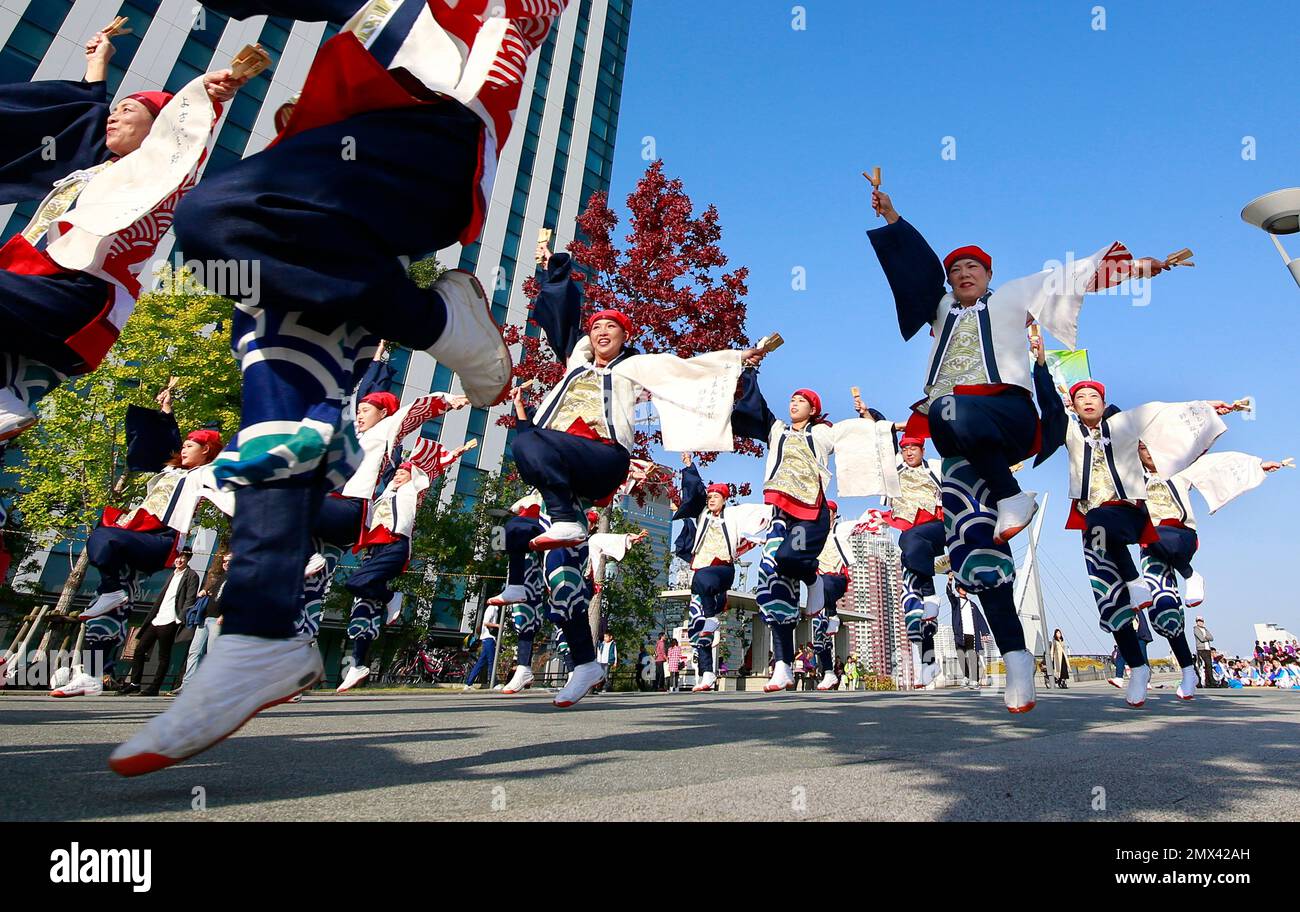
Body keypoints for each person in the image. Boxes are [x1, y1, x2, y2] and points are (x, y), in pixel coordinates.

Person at [106, 0, 567, 776]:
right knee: (274, 390)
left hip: (425, 131)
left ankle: (434, 318)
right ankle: (257, 633)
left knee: (216, 220)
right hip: (327, 176)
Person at [866, 186, 1168, 713]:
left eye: (973, 269)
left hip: (1004, 411)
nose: (964, 275)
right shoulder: (939, 312)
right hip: (960, 444)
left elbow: (1073, 277)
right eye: (955, 269)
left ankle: (1013, 495)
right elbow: (912, 270)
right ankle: (1018, 659)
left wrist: (1138, 268)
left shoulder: (1009, 299)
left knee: (946, 408)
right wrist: (893, 217)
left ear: (988, 275)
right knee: (976, 553)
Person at [0, 28, 246, 437]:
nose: (115, 116)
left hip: (79, 300)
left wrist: (207, 93)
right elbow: (87, 119)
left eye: (129, 111)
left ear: (159, 130)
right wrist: (98, 61)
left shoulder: (161, 174)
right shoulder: (97, 170)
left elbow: (185, 137)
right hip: (36, 292)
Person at [1034, 341, 1238, 707]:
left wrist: (1207, 408)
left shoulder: (1124, 425)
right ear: (1074, 406)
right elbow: (1048, 403)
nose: (1087, 401)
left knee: (1163, 599)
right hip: (1092, 522)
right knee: (1108, 601)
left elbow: (1162, 413)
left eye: (1093, 396)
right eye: (1080, 398)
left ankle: (1183, 656)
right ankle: (1138, 666)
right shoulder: (1070, 432)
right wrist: (1040, 363)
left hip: (1128, 513)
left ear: (1104, 401)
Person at [52, 392, 228, 699]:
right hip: (135, 536)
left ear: (206, 450)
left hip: (159, 541)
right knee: (106, 609)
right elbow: (165, 441)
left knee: (104, 537)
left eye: (191, 445)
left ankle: (110, 589)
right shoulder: (171, 471)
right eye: (184, 444)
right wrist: (167, 409)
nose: (183, 449)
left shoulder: (205, 474)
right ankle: (94, 673)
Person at [730, 374, 886, 694]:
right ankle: (783, 666)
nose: (793, 403)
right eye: (791, 399)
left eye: (800, 400)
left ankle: (812, 578)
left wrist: (869, 417)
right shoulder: (777, 432)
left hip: (809, 514)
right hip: (779, 516)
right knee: (772, 582)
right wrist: (749, 373)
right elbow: (754, 409)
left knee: (789, 558)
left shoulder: (822, 433)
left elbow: (854, 434)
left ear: (813, 409)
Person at [671, 452, 772, 693]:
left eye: (715, 496)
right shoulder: (703, 515)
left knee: (701, 582)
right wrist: (688, 466)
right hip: (702, 572)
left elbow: (761, 513)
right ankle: (707, 673)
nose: (711, 500)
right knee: (697, 627)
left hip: (723, 569)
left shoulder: (735, 515)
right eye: (709, 497)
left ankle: (714, 612)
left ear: (724, 499)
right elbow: (695, 489)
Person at [337, 461, 434, 693]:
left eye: (404, 473)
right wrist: (395, 448)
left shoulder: (412, 490)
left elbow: (424, 471)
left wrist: (450, 455)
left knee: (355, 583)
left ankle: (390, 597)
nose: (399, 476)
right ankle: (358, 664)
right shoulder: (385, 494)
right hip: (373, 551)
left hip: (394, 545)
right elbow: (389, 465)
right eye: (397, 474)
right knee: (363, 609)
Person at [116, 550, 200, 697]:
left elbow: (190, 598)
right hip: (157, 618)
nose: (179, 561)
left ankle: (154, 687)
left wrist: (179, 618)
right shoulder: (172, 574)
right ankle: (135, 683)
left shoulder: (191, 575)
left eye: (182, 558)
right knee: (140, 649)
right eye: (177, 558)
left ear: (188, 560)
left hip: (171, 619)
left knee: (163, 655)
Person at [175, 551, 230, 695]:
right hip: (205, 618)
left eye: (230, 561)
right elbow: (213, 593)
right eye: (224, 561)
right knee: (194, 651)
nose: (226, 564)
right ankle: (187, 685)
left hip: (217, 620)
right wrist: (205, 591)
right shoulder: (220, 577)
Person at [948, 576, 990, 689]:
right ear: (957, 589)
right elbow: (949, 594)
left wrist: (985, 633)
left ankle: (974, 680)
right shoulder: (955, 602)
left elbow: (980, 619)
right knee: (961, 656)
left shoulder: (973, 605)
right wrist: (950, 580)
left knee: (973, 657)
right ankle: (966, 677)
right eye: (961, 587)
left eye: (965, 587)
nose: (964, 589)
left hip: (972, 635)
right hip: (959, 635)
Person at [462, 602, 502, 692]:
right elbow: (485, 623)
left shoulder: (493, 609)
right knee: (491, 661)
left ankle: (468, 683)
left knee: (481, 662)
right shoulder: (492, 608)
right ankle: (494, 683)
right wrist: (498, 625)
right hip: (489, 638)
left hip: (487, 638)